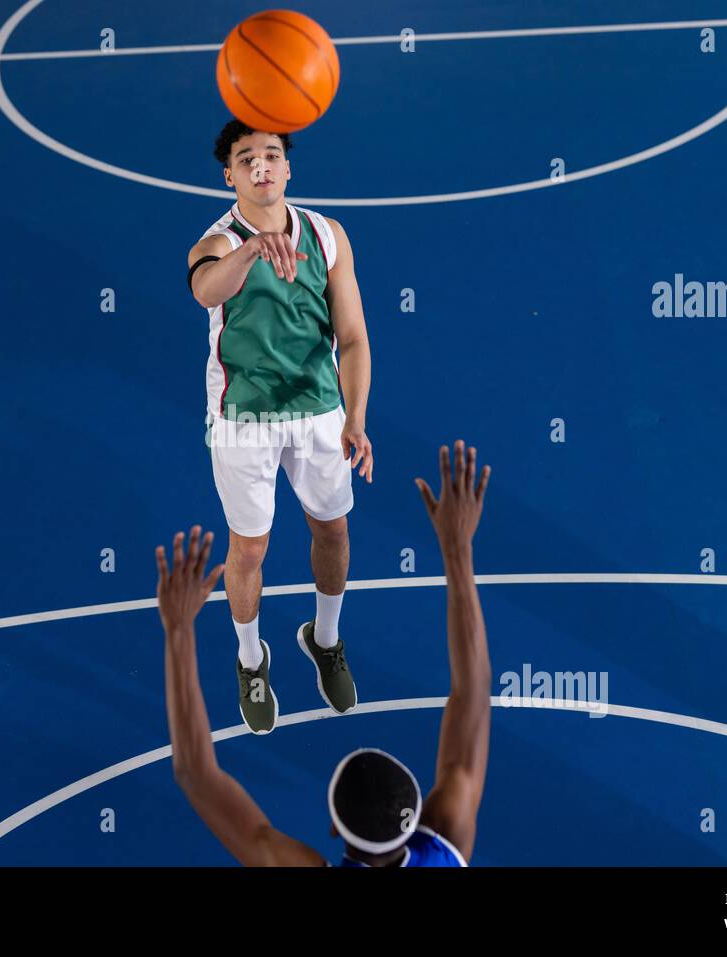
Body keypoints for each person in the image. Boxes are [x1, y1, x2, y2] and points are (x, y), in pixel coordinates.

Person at [156, 441, 492, 866]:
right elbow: (474, 693)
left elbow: (196, 777)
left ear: (334, 827)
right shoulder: (448, 842)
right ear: (419, 817)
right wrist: (458, 550)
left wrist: (179, 629)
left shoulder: (450, 834)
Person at [186, 119, 374, 734]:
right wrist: (249, 250)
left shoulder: (327, 234)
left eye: (272, 154)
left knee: (334, 532)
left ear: (288, 167)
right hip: (245, 418)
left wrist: (356, 417)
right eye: (247, 159)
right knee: (251, 548)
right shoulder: (214, 242)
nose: (262, 166)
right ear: (230, 176)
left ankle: (324, 639)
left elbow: (351, 338)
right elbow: (207, 292)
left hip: (318, 410)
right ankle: (250, 659)